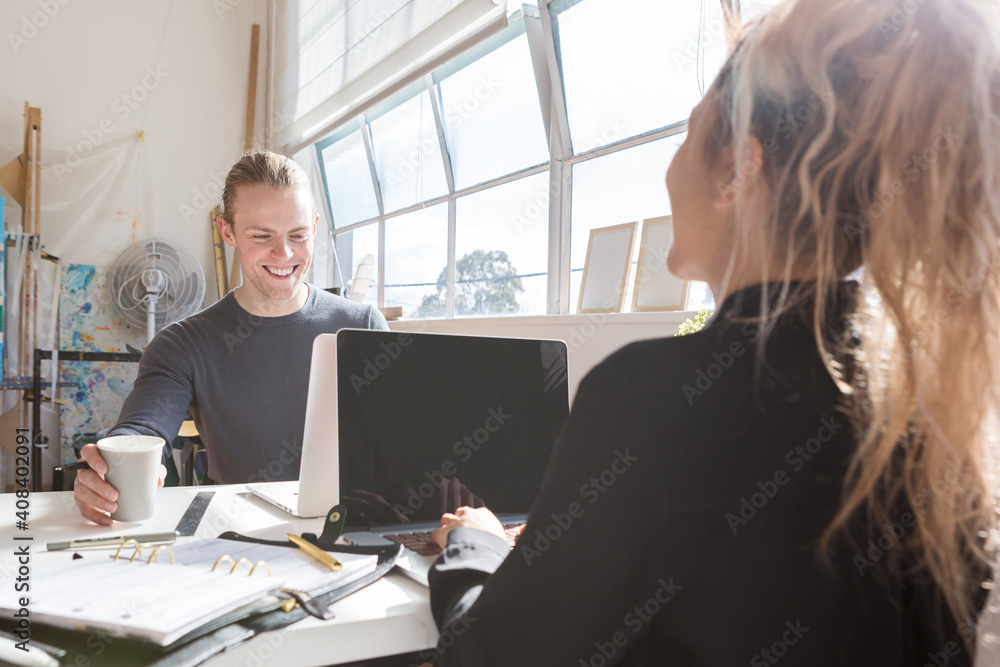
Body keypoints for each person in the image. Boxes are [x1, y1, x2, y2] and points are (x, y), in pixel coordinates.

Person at [422, 0, 1000, 664]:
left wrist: (478, 545)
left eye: (685, 136)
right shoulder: (938, 413)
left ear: (735, 172)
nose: (669, 170)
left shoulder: (650, 398)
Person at [74, 151, 388, 526]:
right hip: (233, 535)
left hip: (348, 529)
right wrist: (108, 468)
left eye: (298, 235)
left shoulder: (362, 327)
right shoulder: (183, 344)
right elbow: (142, 428)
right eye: (262, 236)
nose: (284, 254)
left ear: (315, 227)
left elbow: (400, 443)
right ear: (228, 232)